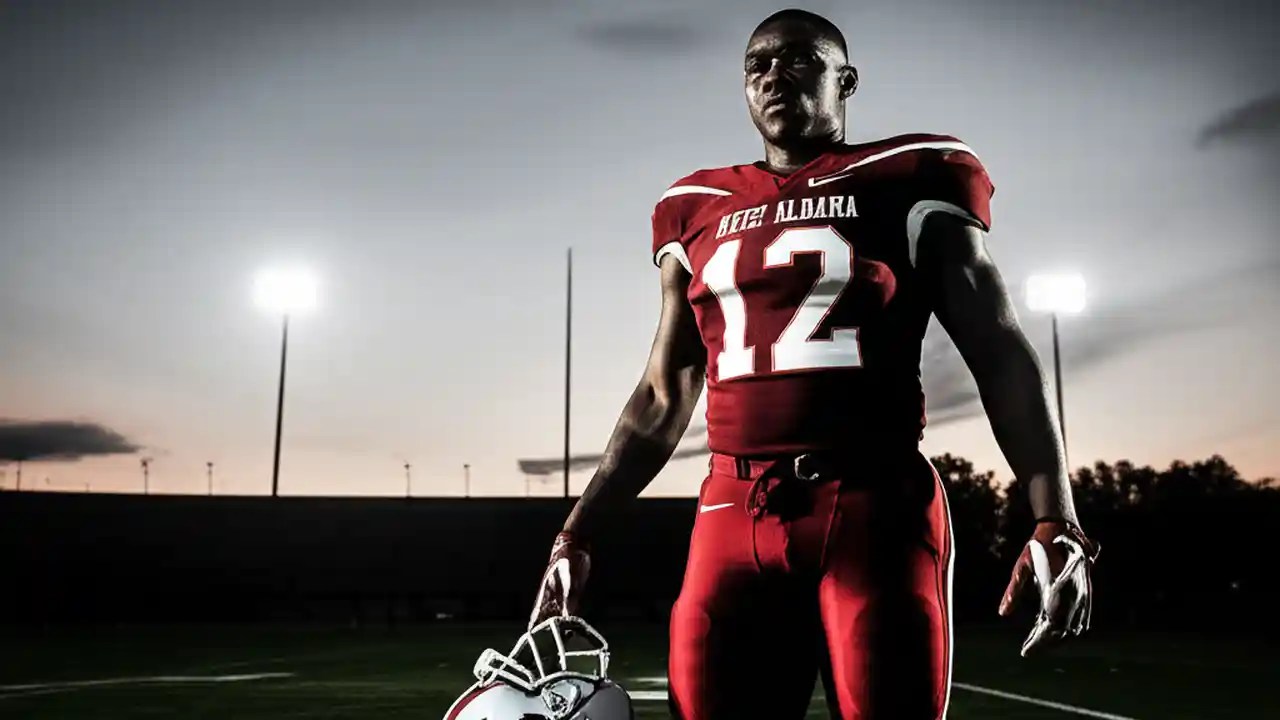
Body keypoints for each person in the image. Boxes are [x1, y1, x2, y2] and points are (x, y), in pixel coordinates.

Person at [529, 8, 1099, 719]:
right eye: (758, 64)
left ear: (845, 79)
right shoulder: (694, 208)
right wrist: (576, 533)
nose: (774, 75)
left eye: (798, 58)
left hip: (875, 506)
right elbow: (661, 394)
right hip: (729, 509)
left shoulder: (913, 175)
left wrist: (1056, 518)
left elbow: (1001, 352)